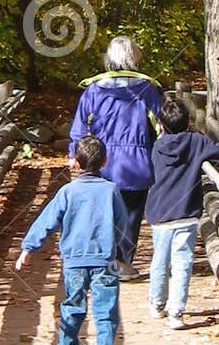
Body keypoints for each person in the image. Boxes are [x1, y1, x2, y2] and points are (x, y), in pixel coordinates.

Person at [15, 134, 130, 345]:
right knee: (106, 308)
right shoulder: (111, 191)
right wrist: (120, 252)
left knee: (72, 304)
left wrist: (28, 248)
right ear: (105, 161)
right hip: (104, 260)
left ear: (75, 163)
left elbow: (46, 220)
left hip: (75, 261)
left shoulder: (67, 192)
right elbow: (122, 224)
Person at [68, 35, 164, 276]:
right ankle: (121, 263)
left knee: (101, 213)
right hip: (137, 163)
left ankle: (100, 261)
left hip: (101, 163)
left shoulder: (93, 90)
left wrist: (75, 154)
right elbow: (163, 127)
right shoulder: (148, 89)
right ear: (135, 58)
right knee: (131, 216)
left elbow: (80, 128)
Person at [146, 95, 219, 329]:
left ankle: (156, 303)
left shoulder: (158, 146)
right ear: (189, 122)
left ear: (161, 125)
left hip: (160, 212)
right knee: (182, 262)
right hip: (186, 213)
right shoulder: (196, 142)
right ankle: (176, 312)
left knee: (159, 261)